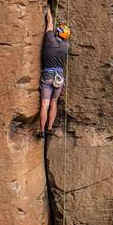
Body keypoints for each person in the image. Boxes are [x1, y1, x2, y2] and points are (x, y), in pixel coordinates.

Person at [38, 8, 69, 138]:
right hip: (59, 77)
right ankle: (50, 128)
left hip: (48, 75)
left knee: (44, 103)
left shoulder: (50, 39)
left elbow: (49, 23)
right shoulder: (66, 46)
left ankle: (42, 131)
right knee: (54, 102)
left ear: (57, 32)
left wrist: (49, 10)